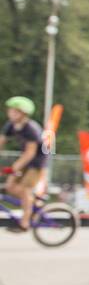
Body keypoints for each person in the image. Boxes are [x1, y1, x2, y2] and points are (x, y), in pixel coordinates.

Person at [1, 96, 48, 232]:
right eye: (10, 111)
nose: (11, 114)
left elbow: (30, 153)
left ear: (24, 114)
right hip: (24, 161)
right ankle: (34, 202)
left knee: (24, 189)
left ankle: (25, 222)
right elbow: (1, 142)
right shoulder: (10, 125)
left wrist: (12, 168)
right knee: (10, 187)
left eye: (15, 112)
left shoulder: (31, 129)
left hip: (37, 162)